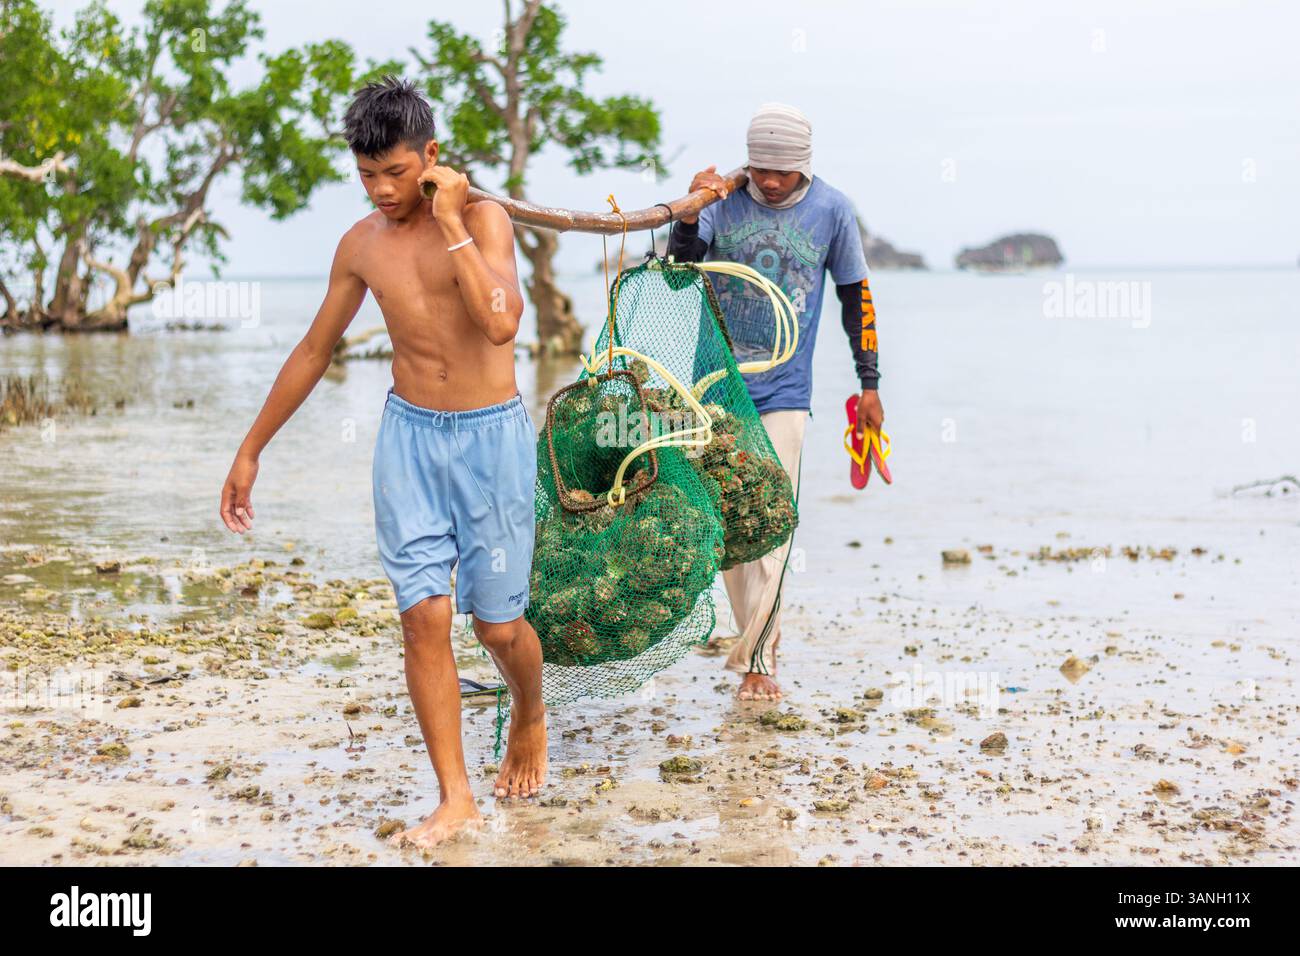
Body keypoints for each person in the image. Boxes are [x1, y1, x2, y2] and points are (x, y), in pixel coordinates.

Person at [218, 76, 546, 848]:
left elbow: (501, 326)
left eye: (395, 172)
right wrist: (249, 449)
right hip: (409, 442)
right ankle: (455, 795)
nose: (380, 189)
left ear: (432, 157)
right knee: (423, 618)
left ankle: (529, 708)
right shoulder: (361, 246)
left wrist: (451, 221)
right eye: (366, 175)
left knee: (498, 630)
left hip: (491, 439)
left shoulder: (485, 219)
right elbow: (313, 349)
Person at [667, 102, 884, 702]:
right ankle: (750, 634)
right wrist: (690, 211)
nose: (766, 181)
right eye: (759, 168)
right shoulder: (723, 200)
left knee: (774, 523)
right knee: (730, 525)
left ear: (803, 169)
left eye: (780, 173)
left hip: (786, 391)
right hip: (713, 384)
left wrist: (870, 384)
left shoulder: (832, 211)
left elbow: (855, 298)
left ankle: (760, 657)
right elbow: (679, 268)